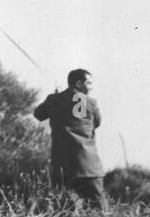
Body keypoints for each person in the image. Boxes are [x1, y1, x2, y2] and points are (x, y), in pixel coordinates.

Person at [34, 68, 106, 207]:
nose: (91, 87)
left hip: (62, 166)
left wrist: (55, 98)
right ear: (78, 84)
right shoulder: (91, 102)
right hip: (89, 166)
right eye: (89, 83)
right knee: (100, 211)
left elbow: (39, 114)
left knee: (65, 210)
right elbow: (96, 123)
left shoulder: (53, 100)